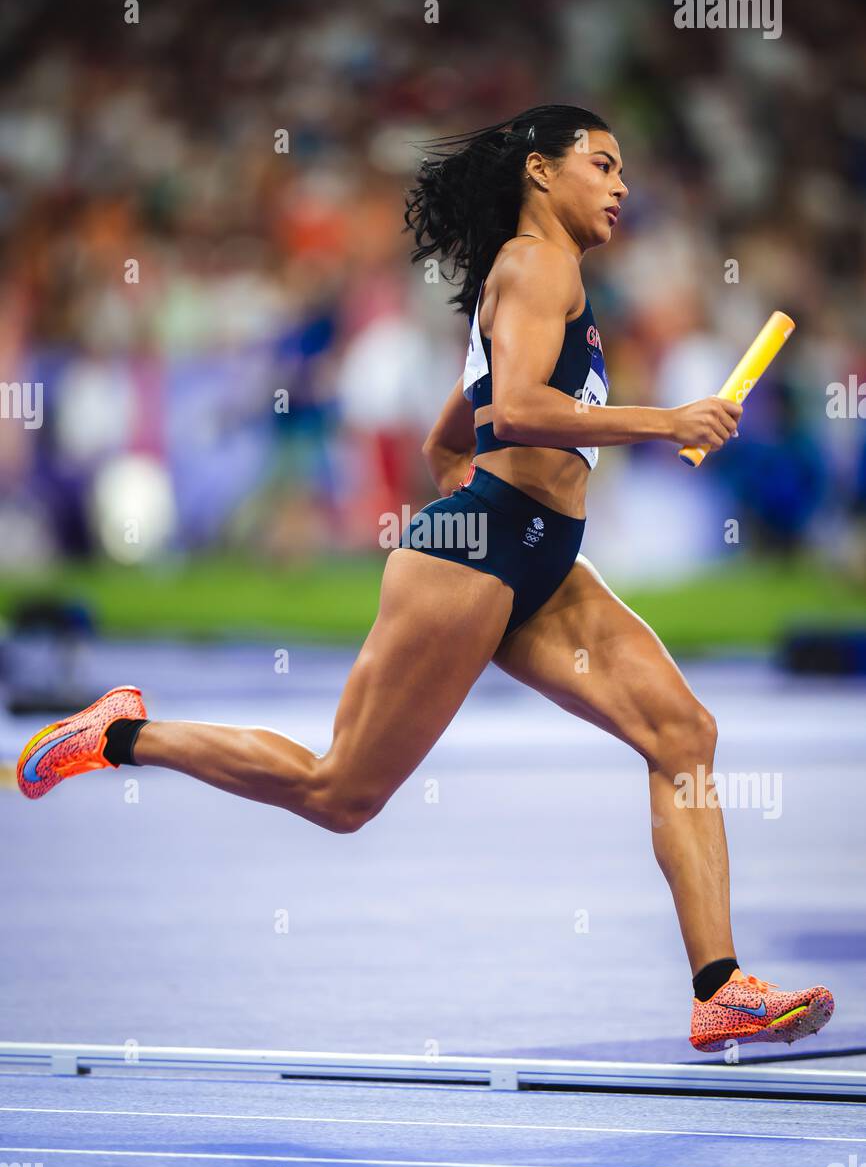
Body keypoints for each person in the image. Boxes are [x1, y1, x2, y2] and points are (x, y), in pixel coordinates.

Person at [17, 104, 833, 1053]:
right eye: (602, 165)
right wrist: (656, 429)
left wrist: (507, 517)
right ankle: (122, 733)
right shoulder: (535, 266)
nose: (621, 186)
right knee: (340, 795)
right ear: (539, 171)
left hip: (534, 556)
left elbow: (454, 434)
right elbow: (520, 413)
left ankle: (719, 987)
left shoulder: (550, 287)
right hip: (479, 551)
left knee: (684, 733)